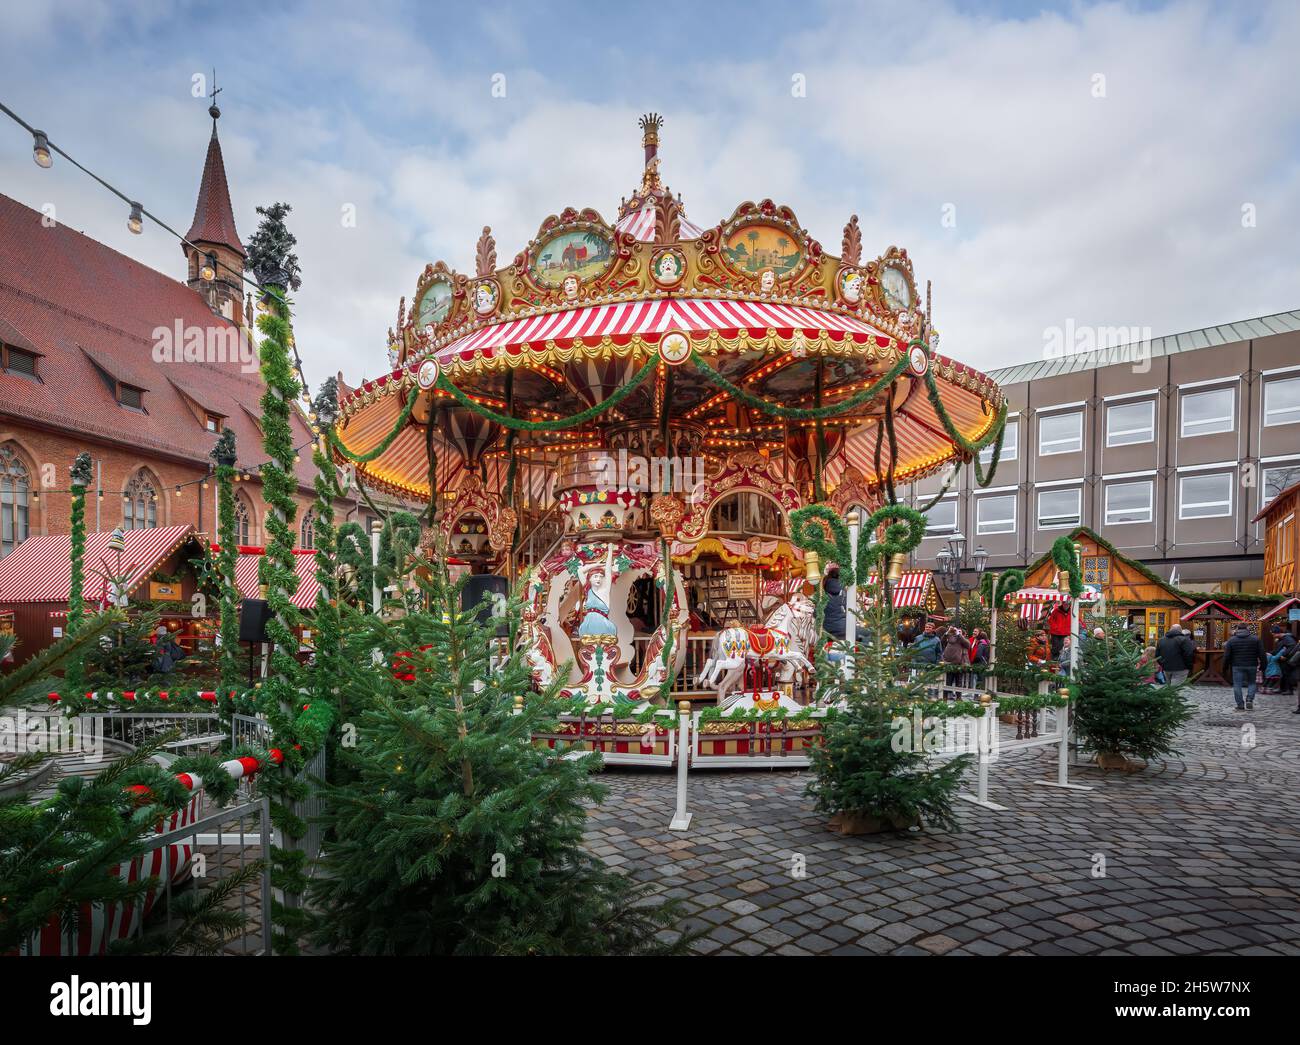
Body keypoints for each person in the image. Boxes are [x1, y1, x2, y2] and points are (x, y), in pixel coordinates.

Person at [1221, 623, 1265, 711]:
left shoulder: (1231, 640)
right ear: (1248, 628)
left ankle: (1240, 705)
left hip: (1237, 665)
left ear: (1237, 629)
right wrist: (1263, 665)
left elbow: (1227, 655)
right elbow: (1262, 653)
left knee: (1237, 685)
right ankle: (1249, 699)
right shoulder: (1256, 639)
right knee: (1252, 683)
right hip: (1252, 664)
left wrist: (1225, 667)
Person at [941, 626, 971, 693]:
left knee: (959, 682)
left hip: (960, 663)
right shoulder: (950, 638)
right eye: (957, 631)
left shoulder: (964, 640)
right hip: (949, 662)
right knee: (948, 681)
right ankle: (945, 697)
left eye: (960, 631)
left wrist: (959, 635)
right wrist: (947, 632)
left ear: (963, 634)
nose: (957, 632)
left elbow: (968, 645)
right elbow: (942, 641)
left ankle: (958, 698)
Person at [1270, 625, 1296, 696]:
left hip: (1287, 660)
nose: (1273, 636)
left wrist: (1284, 655)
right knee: (1283, 674)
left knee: (1287, 674)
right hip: (1282, 660)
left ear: (1277, 633)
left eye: (1273, 634)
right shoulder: (1281, 639)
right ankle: (1282, 688)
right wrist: (1270, 653)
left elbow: (1292, 646)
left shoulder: (1287, 638)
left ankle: (1289, 690)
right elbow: (1278, 649)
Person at [822, 568, 846, 642]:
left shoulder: (823, 591)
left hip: (825, 628)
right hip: (842, 628)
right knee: (867, 633)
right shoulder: (843, 591)